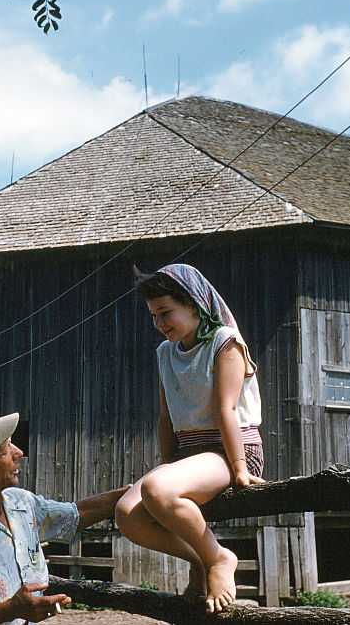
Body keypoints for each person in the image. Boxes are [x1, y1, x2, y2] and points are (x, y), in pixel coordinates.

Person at [115, 263, 265, 614]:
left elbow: (226, 409)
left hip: (230, 450)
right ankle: (201, 556)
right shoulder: (165, 353)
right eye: (154, 316)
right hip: (190, 456)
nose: (160, 323)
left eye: (166, 312)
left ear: (195, 304)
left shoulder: (225, 343)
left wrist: (240, 469)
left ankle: (218, 560)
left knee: (158, 490)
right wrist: (167, 467)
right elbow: (166, 417)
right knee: (127, 514)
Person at [0, 411, 129, 625]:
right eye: (4, 450)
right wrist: (9, 611)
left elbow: (74, 515)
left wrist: (136, 493)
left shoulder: (21, 504)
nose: (18, 452)